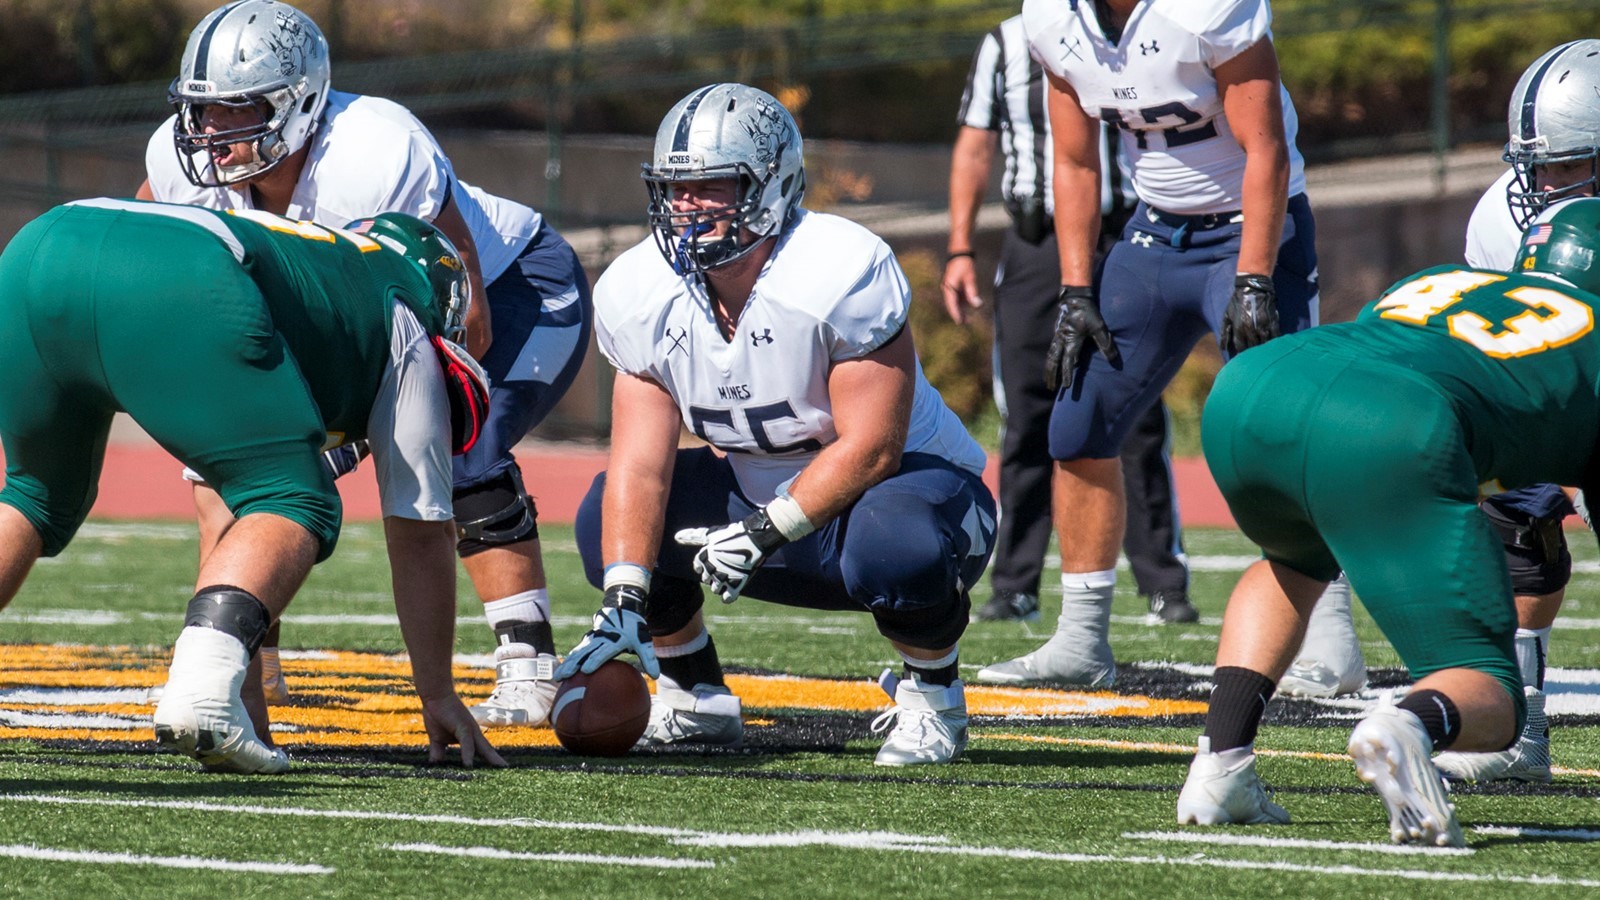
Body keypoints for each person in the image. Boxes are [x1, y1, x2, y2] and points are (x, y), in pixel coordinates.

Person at [138, 0, 592, 727]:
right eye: (202, 111)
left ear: (300, 102)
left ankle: (526, 659)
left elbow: (461, 321)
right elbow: (150, 247)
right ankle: (250, 661)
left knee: (456, 436)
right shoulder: (180, 160)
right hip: (359, 311)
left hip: (508, 292)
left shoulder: (374, 152)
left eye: (236, 109)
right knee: (245, 466)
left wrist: (354, 432)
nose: (211, 134)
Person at [556, 83, 996, 766]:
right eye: (676, 189)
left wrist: (766, 530)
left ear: (771, 184)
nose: (686, 206)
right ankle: (694, 694)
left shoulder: (837, 269)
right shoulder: (638, 290)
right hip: (762, 508)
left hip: (908, 499)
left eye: (711, 186)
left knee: (894, 542)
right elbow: (641, 464)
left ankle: (935, 700)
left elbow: (874, 448)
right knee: (603, 520)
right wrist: (623, 600)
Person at [0, 199, 504, 774]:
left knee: (34, 495)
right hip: (174, 268)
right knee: (297, 499)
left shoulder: (321, 269)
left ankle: (212, 689)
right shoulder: (403, 307)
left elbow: (221, 512)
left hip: (37, 245)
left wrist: (247, 691)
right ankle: (203, 693)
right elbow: (421, 530)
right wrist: (437, 690)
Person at [1175, 198, 1600, 846]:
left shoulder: (1448, 281)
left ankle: (1220, 765)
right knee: (1492, 692)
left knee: (1294, 559)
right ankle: (1407, 725)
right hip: (1389, 422)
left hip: (1252, 388)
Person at [978, 0, 1364, 694]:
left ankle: (1331, 642)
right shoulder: (1050, 20)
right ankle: (1080, 641)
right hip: (1155, 234)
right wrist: (1075, 288)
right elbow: (1072, 160)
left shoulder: (1207, 10)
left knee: (1282, 425)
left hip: (1252, 227)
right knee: (1077, 420)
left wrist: (1251, 275)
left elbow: (1267, 148)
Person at [944, 13, 1196, 627]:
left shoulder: (1139, 31)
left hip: (1126, 237)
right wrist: (959, 246)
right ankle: (1015, 582)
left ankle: (1163, 579)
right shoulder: (1004, 43)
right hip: (1037, 244)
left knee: (1135, 411)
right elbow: (976, 145)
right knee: (1027, 414)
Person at [1428, 39, 1600, 784]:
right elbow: (1506, 344)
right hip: (1554, 380)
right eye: (1536, 164)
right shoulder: (1502, 215)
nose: (1540, 184)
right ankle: (1522, 729)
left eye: (1563, 165)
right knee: (1511, 523)